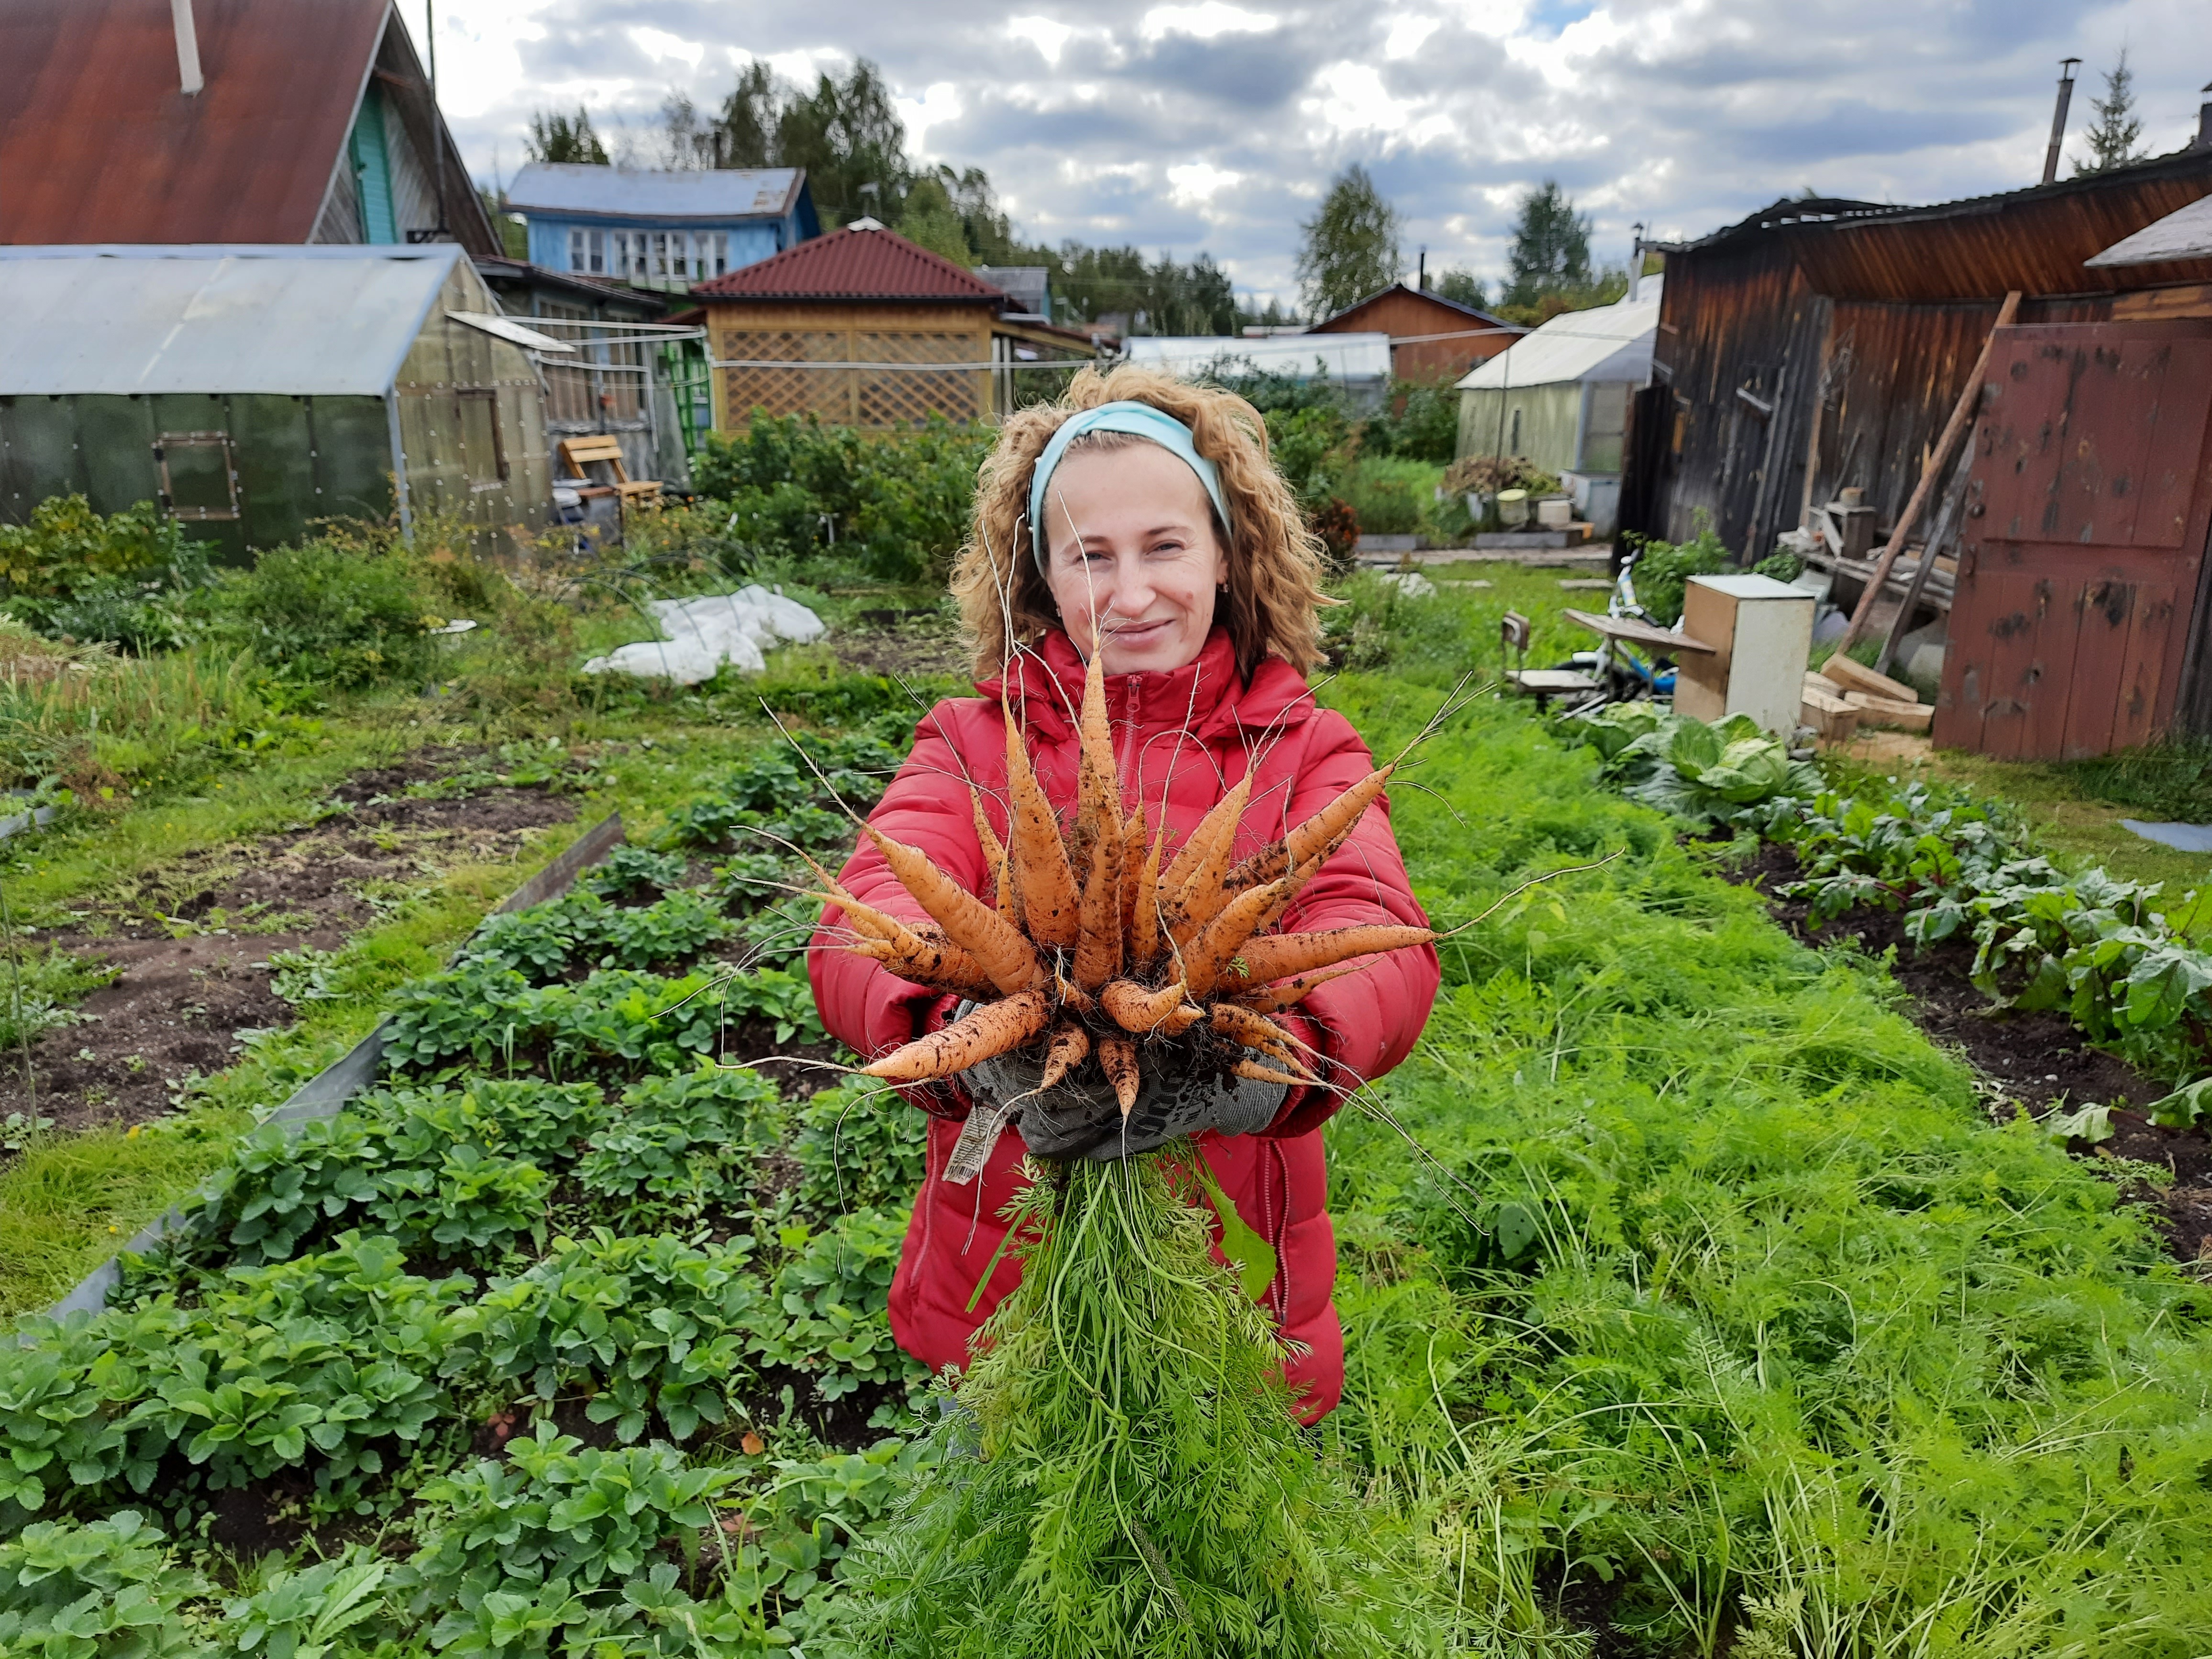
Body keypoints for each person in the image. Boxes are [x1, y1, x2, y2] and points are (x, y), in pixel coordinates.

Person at [807, 365, 1439, 1420]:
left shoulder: (1304, 752)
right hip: (1011, 1269)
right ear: (1040, 577)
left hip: (1231, 1270)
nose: (1130, 592)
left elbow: (1377, 934)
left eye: (1164, 546)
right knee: (1019, 1521)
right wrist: (966, 1039)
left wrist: (1270, 1072)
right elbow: (870, 902)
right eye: (1088, 556)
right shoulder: (970, 743)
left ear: (1229, 555)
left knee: (1226, 1529)